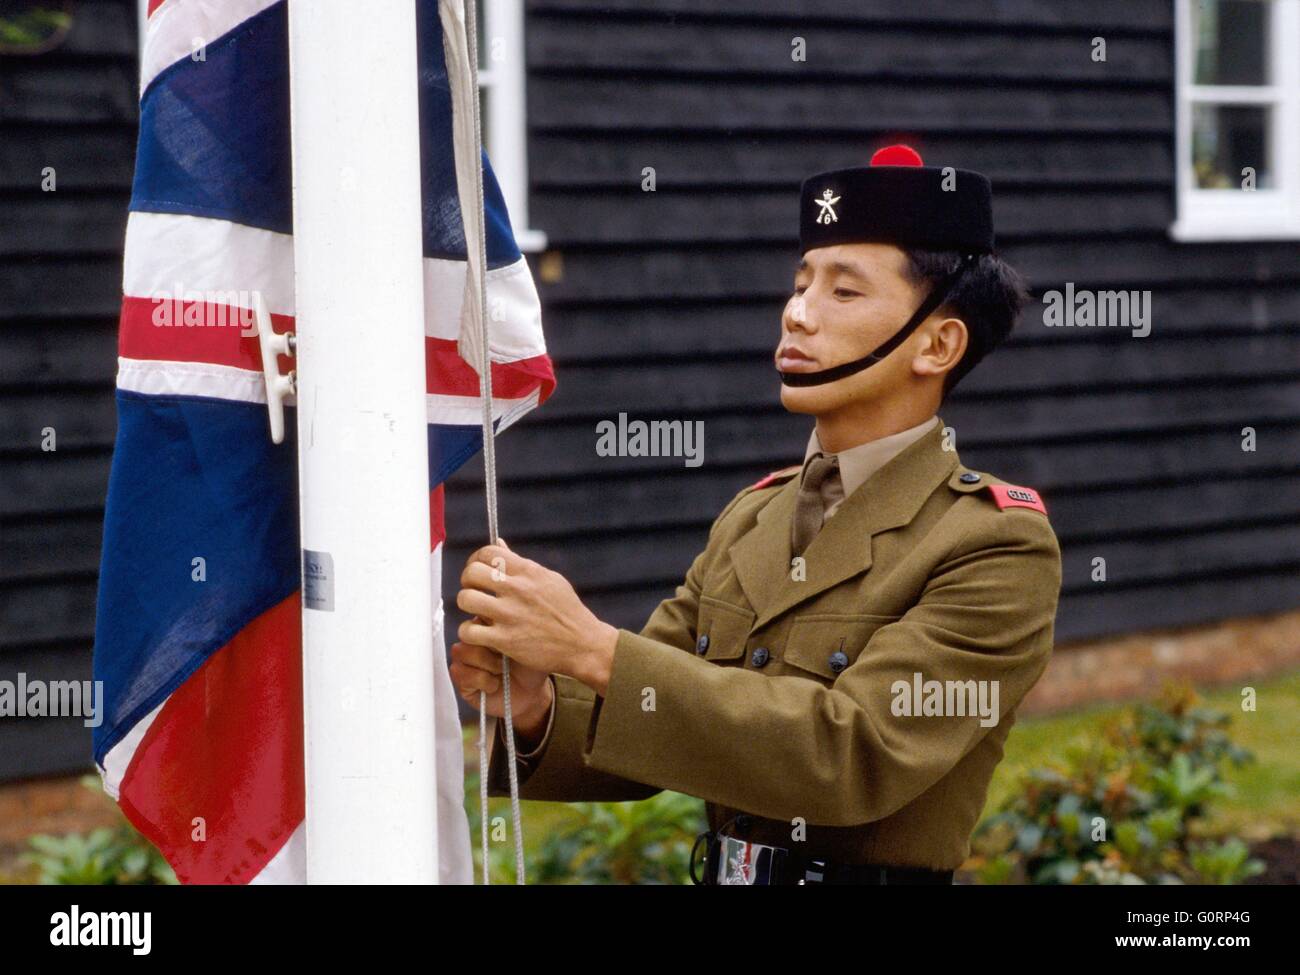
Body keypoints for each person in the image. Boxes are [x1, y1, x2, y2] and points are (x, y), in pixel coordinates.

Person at [451, 144, 1061, 885]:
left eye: (843, 292)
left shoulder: (994, 542)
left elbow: (849, 757)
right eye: (800, 283)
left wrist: (590, 648)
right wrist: (536, 704)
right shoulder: (755, 516)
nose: (797, 313)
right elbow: (656, 705)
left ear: (937, 342)